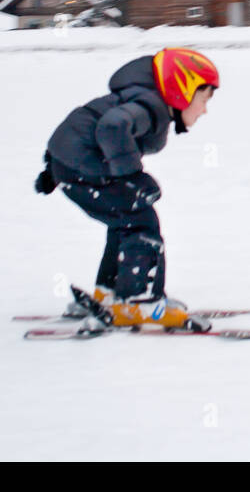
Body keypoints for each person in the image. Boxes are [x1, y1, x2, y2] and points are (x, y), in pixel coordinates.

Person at [33, 47, 218, 331]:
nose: (205, 110)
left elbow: (82, 125)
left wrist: (53, 169)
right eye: (203, 99)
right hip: (82, 170)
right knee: (142, 222)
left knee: (126, 220)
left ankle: (109, 294)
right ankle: (138, 302)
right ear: (182, 90)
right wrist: (132, 176)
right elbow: (111, 126)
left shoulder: (141, 101)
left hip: (70, 167)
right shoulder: (147, 107)